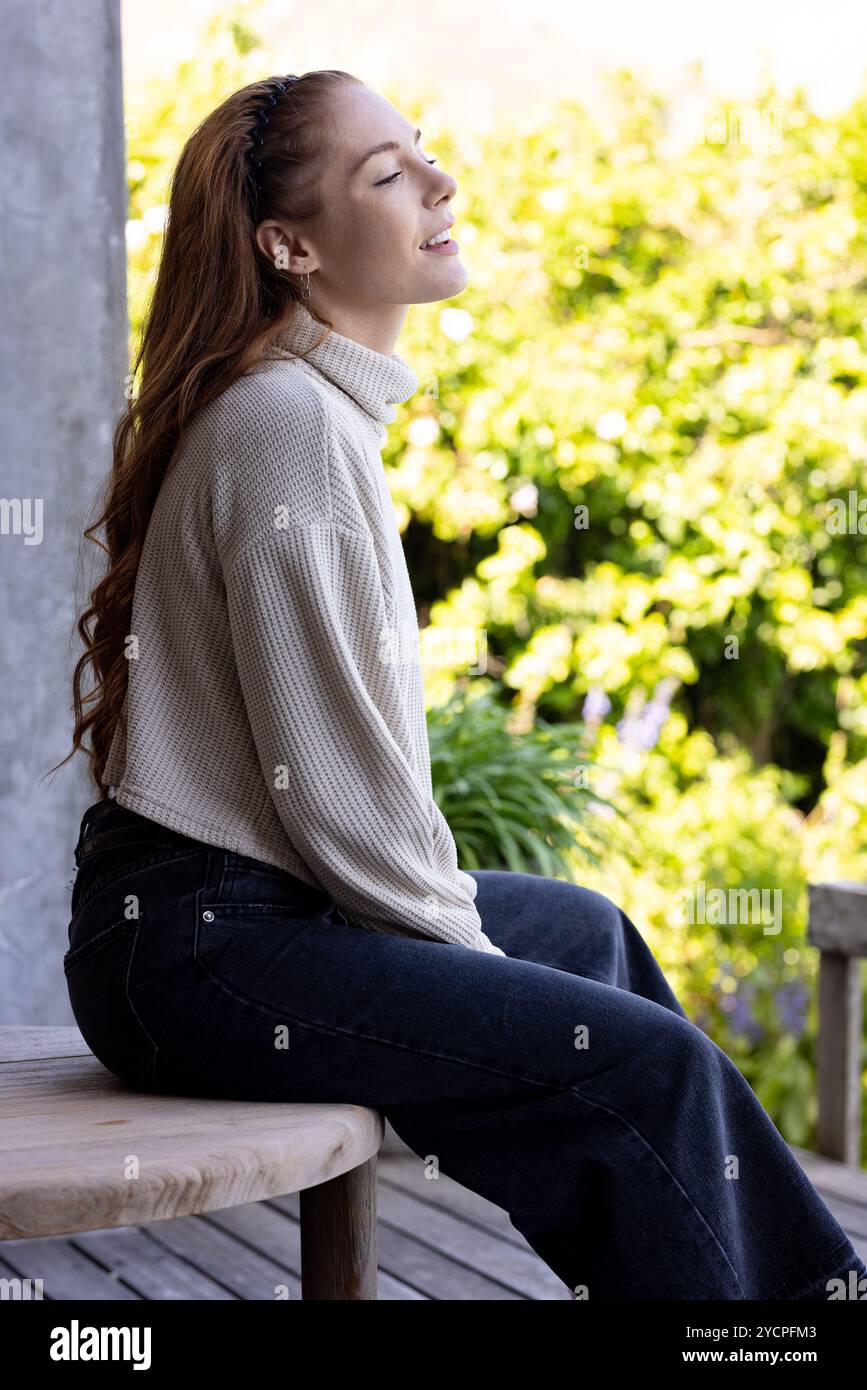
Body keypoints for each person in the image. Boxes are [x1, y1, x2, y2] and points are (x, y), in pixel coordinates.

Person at [52, 70, 867, 1301]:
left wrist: (494, 972)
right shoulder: (289, 426)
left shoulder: (308, 410)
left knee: (588, 936)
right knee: (642, 1064)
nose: (440, 182)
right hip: (197, 949)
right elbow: (339, 797)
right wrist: (475, 968)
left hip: (237, 921)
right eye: (387, 173)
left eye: (420, 149)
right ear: (289, 245)